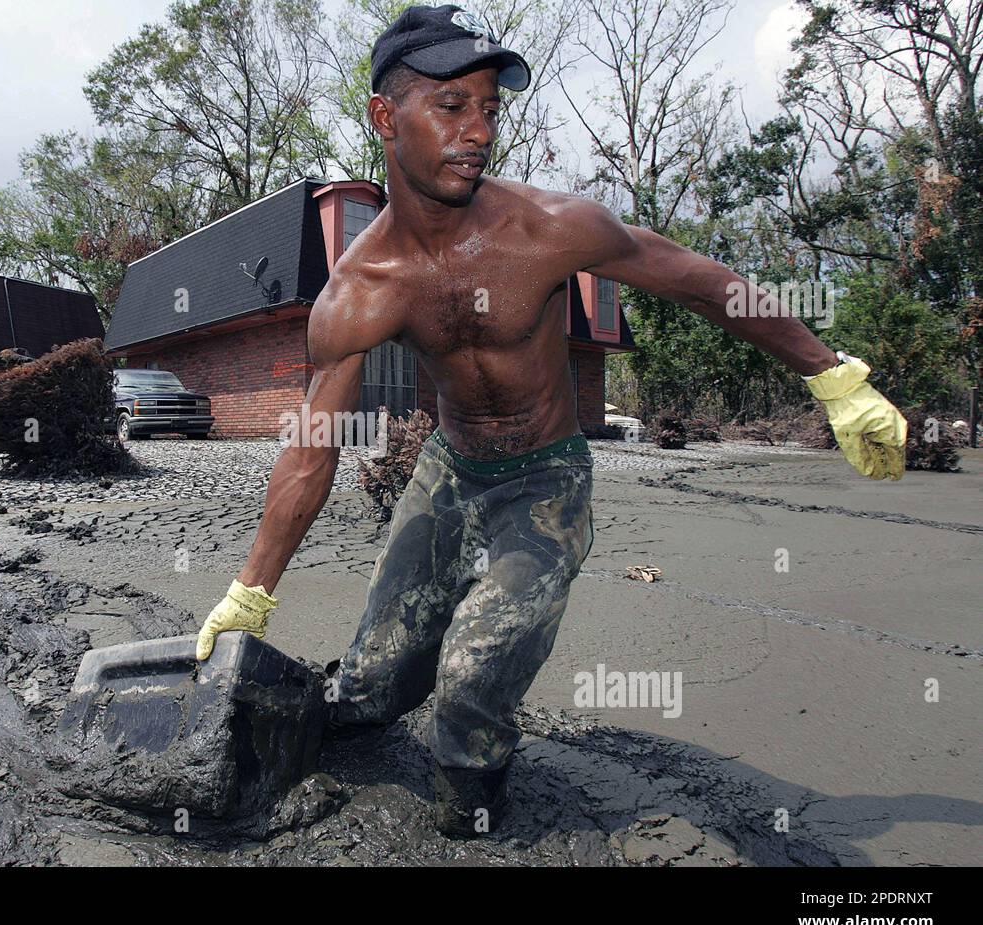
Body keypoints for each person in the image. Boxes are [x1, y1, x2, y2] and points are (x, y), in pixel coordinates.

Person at [194, 4, 907, 837]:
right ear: (386, 118)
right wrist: (251, 593)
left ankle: (477, 800)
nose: (478, 131)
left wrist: (834, 377)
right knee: (372, 688)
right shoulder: (361, 289)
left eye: (490, 109)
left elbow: (698, 281)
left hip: (544, 479)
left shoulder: (548, 229)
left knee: (468, 685)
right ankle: (363, 714)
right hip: (450, 476)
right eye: (452, 106)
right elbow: (313, 451)